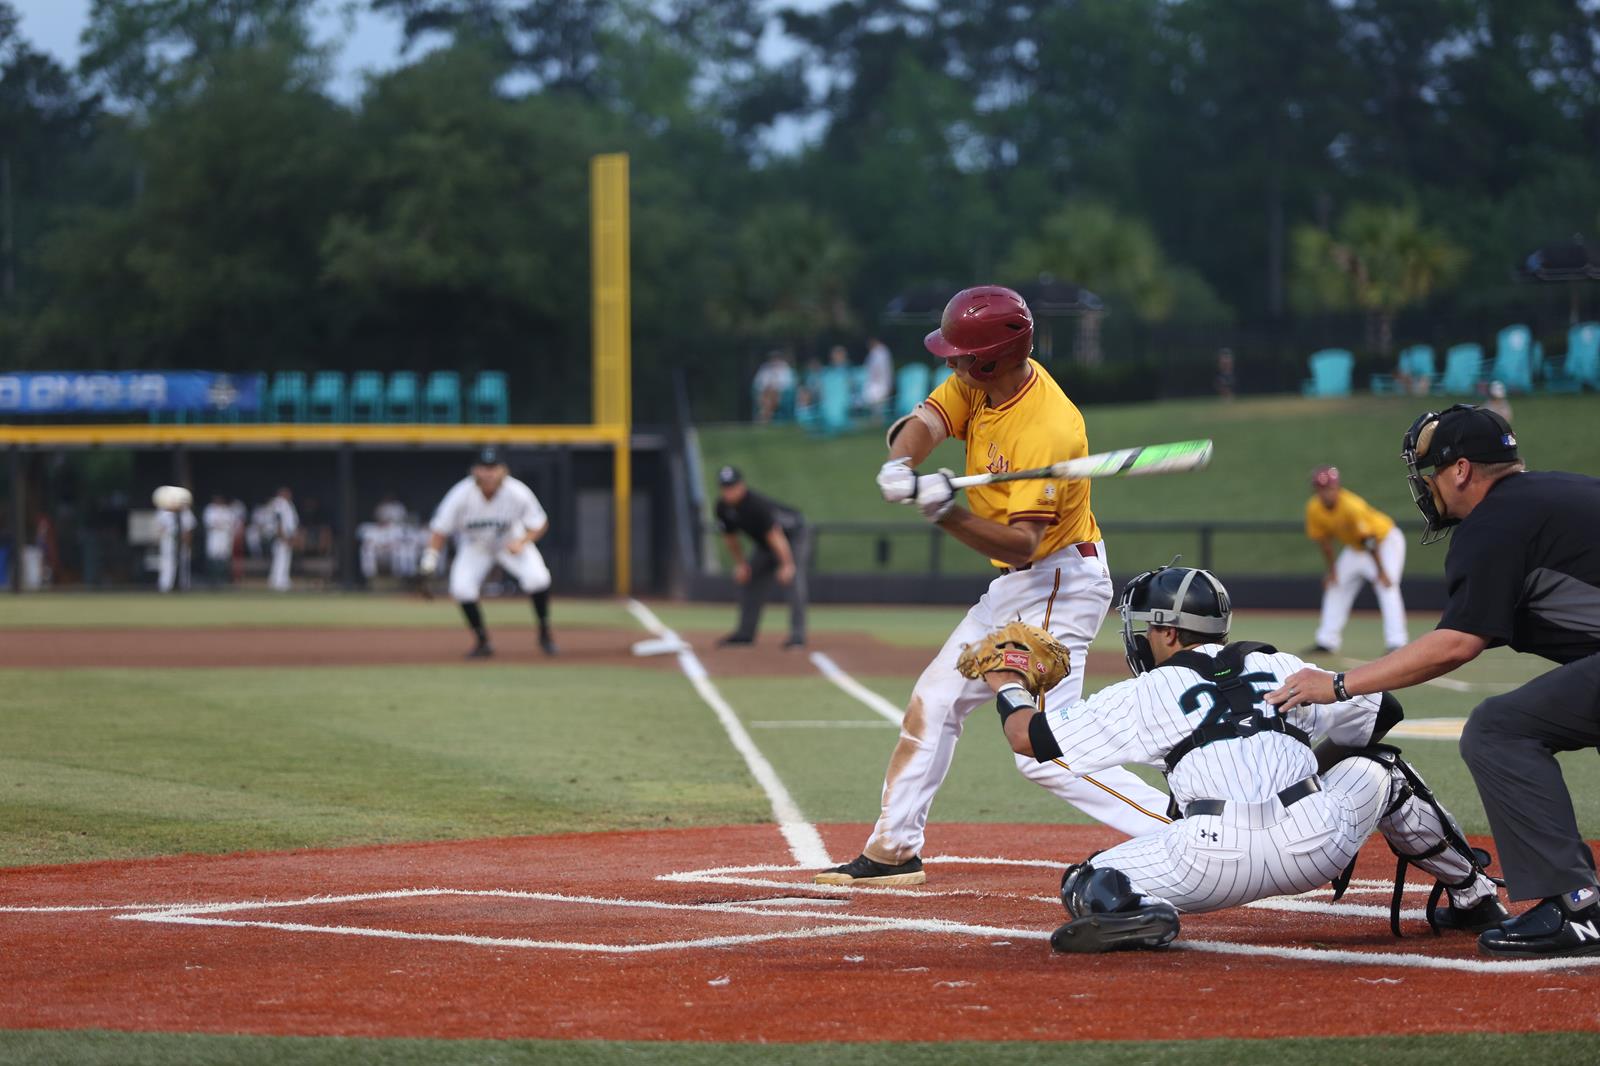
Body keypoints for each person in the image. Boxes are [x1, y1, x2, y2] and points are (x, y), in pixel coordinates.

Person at [814, 285, 1170, 887]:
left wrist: (944, 513)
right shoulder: (978, 381)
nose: (949, 363)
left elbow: (1022, 544)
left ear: (991, 358)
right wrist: (902, 465)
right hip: (1015, 586)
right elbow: (925, 422)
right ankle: (894, 849)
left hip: (1059, 580)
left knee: (1043, 751)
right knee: (935, 700)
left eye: (958, 355)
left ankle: (1178, 827)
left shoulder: (1049, 428)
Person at [973, 563, 1504, 952]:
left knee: (1088, 880)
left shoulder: (1146, 690)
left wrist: (1008, 679)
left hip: (1206, 862)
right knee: (1384, 773)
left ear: (1169, 632)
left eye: (1145, 628)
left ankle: (1130, 914)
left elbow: (1028, 739)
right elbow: (1381, 712)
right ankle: (1473, 893)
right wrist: (1309, 768)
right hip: (1318, 840)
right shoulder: (1283, 664)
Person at [1271, 404, 1600, 959]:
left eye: (1431, 475)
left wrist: (1341, 684)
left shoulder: (1494, 521)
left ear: (1462, 470)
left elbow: (1456, 644)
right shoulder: (1553, 497)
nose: (1427, 489)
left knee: (1498, 730)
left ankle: (1576, 908)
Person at [421, 447, 557, 658]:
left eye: (493, 468)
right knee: (462, 589)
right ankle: (482, 641)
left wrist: (523, 541)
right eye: (484, 468)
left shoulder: (517, 492)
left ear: (504, 471)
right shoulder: (461, 494)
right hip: (476, 545)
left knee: (538, 579)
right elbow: (440, 529)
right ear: (474, 471)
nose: (489, 473)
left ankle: (545, 634)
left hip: (510, 540)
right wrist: (429, 562)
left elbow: (540, 523)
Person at [1304, 465, 1408, 655]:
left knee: (1387, 586)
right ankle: (1326, 641)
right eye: (1322, 488)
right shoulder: (1314, 508)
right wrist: (1333, 572)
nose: (1326, 492)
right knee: (1336, 585)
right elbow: (1325, 543)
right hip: (1356, 548)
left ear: (1337, 487)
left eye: (1330, 488)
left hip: (1384, 542)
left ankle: (1397, 641)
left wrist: (1381, 571)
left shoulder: (1352, 505)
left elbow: (1369, 540)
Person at [714, 466, 808, 649]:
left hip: (793, 536)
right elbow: (730, 539)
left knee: (793, 580)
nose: (729, 491)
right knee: (751, 579)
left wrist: (787, 565)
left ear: (741, 486)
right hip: (766, 543)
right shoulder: (722, 507)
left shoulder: (755, 505)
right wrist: (741, 564)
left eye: (732, 486)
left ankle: (797, 636)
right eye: (725, 487)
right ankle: (745, 634)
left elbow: (776, 536)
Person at [152, 487, 195, 593]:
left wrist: (188, 543)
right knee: (167, 563)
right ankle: (165, 587)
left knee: (184, 563)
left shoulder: (186, 512)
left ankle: (184, 586)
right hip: (168, 540)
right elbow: (159, 530)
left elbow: (188, 529)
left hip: (182, 541)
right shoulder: (162, 513)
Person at [266, 487, 299, 592]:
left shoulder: (287, 504)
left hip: (287, 535)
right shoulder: (279, 502)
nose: (289, 494)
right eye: (286, 493)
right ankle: (278, 582)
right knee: (280, 558)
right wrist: (283, 536)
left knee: (284, 558)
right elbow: (278, 520)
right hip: (280, 536)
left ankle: (281, 580)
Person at [201, 493, 238, 585]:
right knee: (212, 557)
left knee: (224, 557)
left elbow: (231, 524)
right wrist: (220, 524)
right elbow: (209, 524)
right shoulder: (209, 509)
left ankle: (223, 579)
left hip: (224, 536)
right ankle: (212, 580)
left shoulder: (227, 510)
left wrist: (221, 525)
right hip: (214, 536)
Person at [752, 352, 796, 424]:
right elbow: (758, 383)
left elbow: (789, 384)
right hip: (765, 393)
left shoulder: (786, 369)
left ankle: (764, 417)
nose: (774, 361)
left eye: (776, 359)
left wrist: (776, 386)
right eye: (772, 359)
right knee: (767, 393)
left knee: (771, 393)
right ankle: (768, 413)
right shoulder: (764, 369)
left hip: (780, 394)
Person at [861, 337, 894, 412]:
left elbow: (884, 370)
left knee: (878, 405)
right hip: (875, 383)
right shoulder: (874, 352)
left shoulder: (881, 352)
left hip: (879, 384)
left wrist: (888, 384)